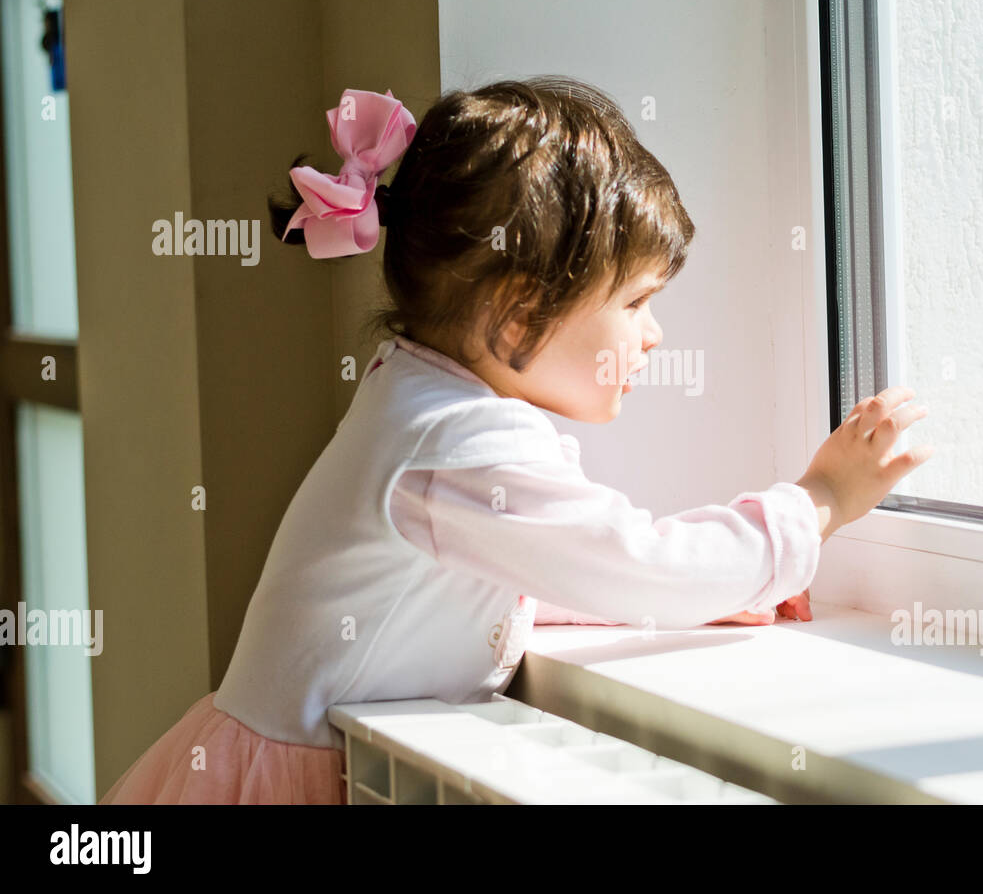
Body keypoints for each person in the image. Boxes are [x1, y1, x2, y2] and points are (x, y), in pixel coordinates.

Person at [99, 80, 933, 804]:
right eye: (637, 302)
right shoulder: (459, 438)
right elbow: (633, 560)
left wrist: (706, 595)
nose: (653, 335)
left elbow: (516, 567)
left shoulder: (415, 397)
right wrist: (813, 505)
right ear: (517, 316)